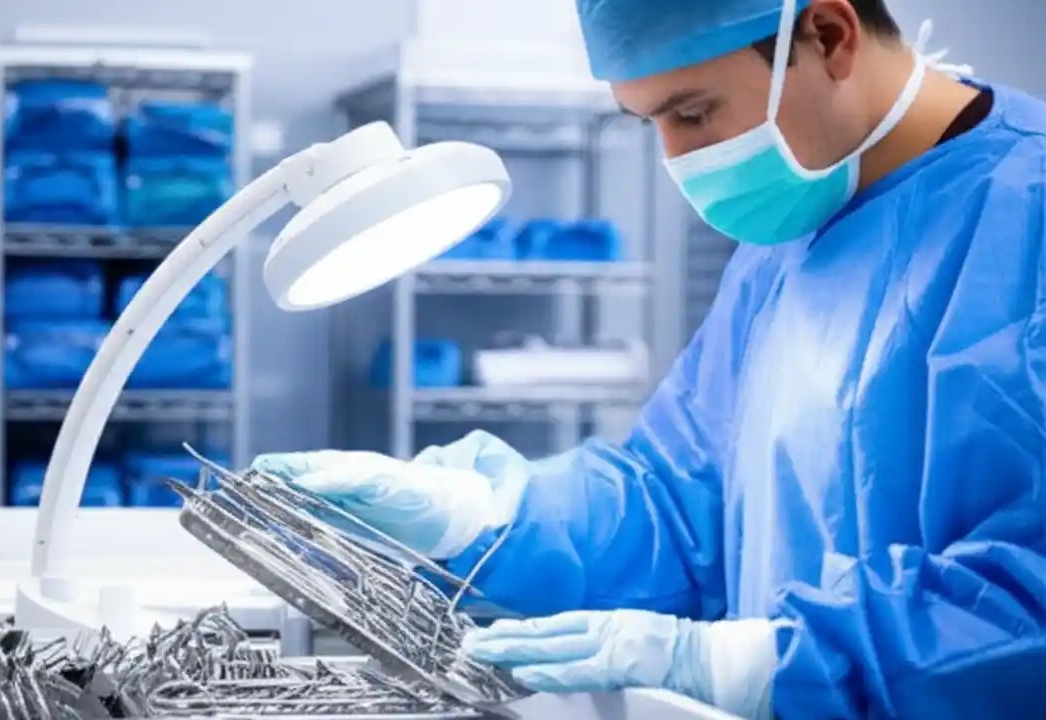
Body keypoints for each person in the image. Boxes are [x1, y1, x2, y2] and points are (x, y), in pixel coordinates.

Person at [255, 0, 1046, 717]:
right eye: (647, 124)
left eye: (693, 112)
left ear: (829, 35)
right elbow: (677, 502)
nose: (676, 159)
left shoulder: (1026, 223)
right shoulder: (795, 235)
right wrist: (483, 517)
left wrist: (766, 663)